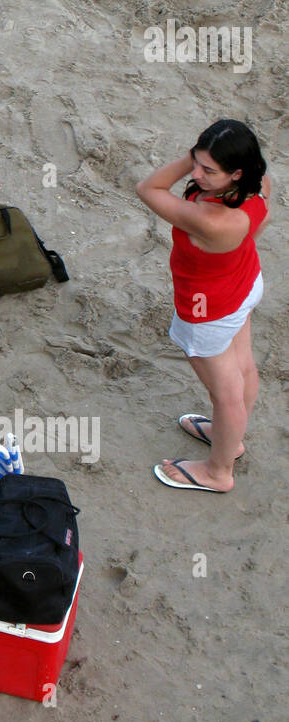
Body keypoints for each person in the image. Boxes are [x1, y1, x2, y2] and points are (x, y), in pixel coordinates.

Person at [136, 121, 270, 492]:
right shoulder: (258, 188)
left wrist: (186, 158)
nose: (196, 174)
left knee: (224, 393)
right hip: (244, 284)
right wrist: (206, 162)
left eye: (208, 170)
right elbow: (260, 226)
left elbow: (147, 188)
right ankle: (229, 435)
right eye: (196, 163)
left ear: (236, 172)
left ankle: (218, 471)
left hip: (208, 311)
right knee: (242, 367)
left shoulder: (209, 220)